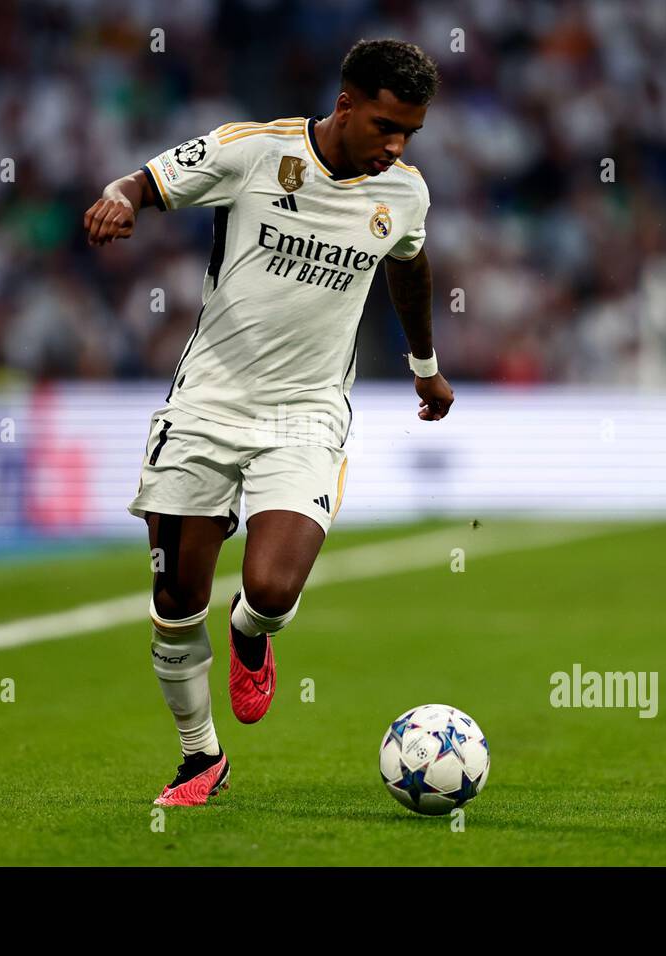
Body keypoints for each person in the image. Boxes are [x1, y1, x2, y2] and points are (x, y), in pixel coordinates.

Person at [84, 38, 454, 806]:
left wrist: (425, 367)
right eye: (386, 125)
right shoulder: (250, 153)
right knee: (176, 605)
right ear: (345, 104)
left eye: (409, 133)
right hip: (206, 406)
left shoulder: (405, 195)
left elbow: (410, 266)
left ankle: (251, 632)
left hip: (307, 414)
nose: (396, 146)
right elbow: (145, 180)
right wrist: (120, 199)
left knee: (273, 587)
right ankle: (200, 759)